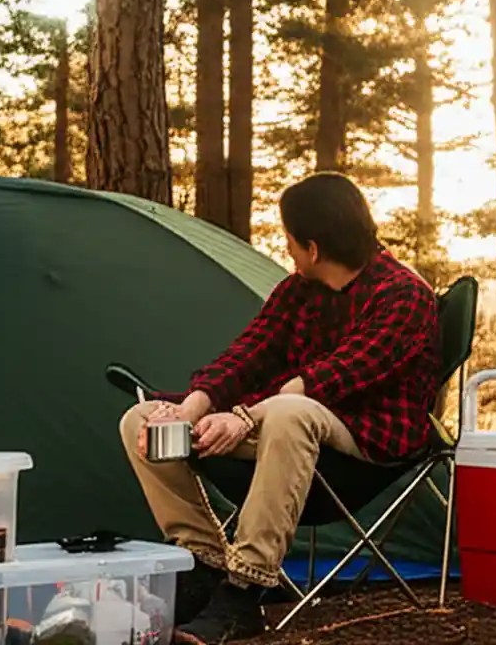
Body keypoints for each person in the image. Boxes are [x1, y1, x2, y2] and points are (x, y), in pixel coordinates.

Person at [118, 172, 442, 644]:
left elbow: (334, 378)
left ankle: (244, 588)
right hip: (286, 431)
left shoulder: (403, 295)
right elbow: (248, 355)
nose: (286, 248)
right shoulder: (297, 292)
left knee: (294, 410)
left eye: (289, 238)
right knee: (141, 420)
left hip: (366, 445)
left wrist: (244, 417)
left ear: (312, 246)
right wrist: (189, 410)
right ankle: (201, 564)